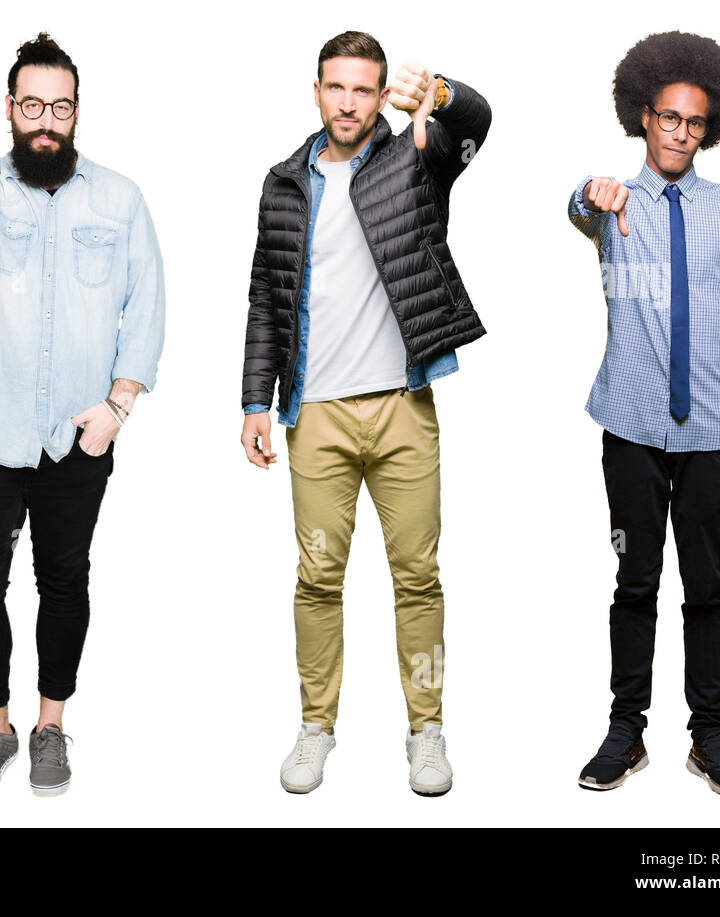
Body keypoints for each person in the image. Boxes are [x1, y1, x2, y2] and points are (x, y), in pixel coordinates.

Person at [240, 31, 490, 795]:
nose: (348, 103)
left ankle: (427, 729)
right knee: (317, 577)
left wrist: (439, 93)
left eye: (363, 89)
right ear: (316, 91)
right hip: (312, 415)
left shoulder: (417, 156)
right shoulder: (284, 181)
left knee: (418, 576)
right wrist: (256, 398)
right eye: (335, 87)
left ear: (382, 95)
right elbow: (265, 296)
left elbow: (478, 121)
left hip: (402, 409)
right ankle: (316, 727)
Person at [0, 33, 165, 797]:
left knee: (64, 582)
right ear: (9, 109)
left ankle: (50, 725)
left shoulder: (119, 198)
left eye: (60, 106)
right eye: (33, 105)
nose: (46, 121)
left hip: (78, 438)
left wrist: (117, 408)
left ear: (77, 112)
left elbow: (147, 309)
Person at [569, 31, 720, 798]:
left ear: (708, 127)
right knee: (634, 581)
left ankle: (709, 734)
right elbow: (577, 205)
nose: (679, 132)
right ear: (643, 114)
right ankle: (626, 731)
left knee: (707, 586)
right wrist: (587, 191)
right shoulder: (612, 201)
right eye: (668, 117)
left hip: (712, 437)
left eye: (694, 122)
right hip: (630, 431)